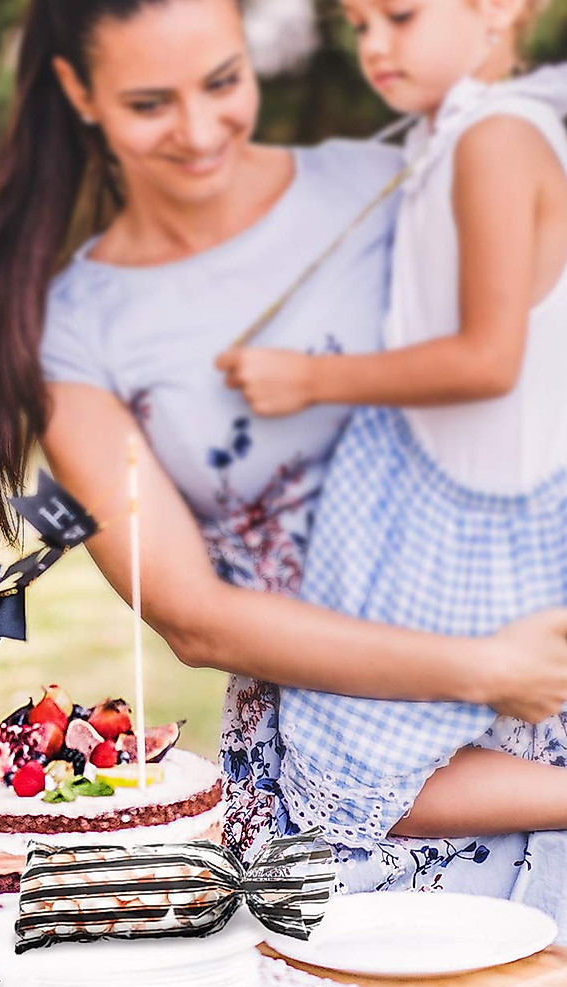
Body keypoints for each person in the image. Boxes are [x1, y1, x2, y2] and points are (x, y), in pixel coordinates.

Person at [0, 0, 567, 887]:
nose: (201, 129)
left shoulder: (388, 181)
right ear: (78, 90)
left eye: (224, 81)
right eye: (151, 104)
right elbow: (191, 615)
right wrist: (486, 669)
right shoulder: (73, 332)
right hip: (354, 820)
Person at [217, 0, 567, 909]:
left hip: (467, 491)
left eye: (400, 17)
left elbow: (488, 358)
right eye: (358, 22)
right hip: (445, 473)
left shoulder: (494, 139)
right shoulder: (452, 142)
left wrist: (308, 380)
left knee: (372, 770)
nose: (374, 47)